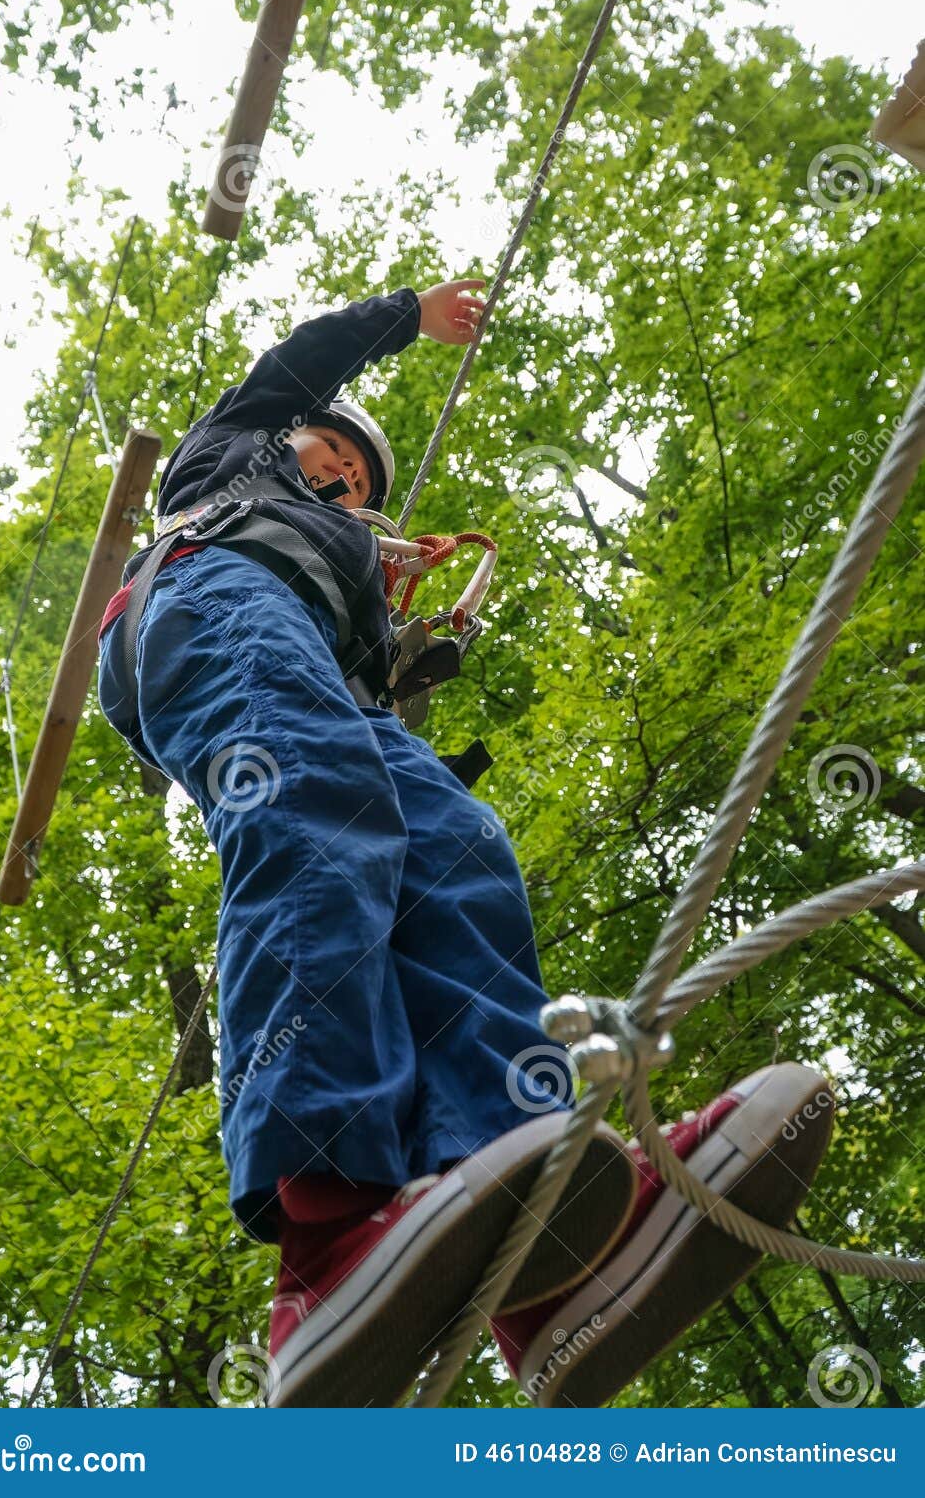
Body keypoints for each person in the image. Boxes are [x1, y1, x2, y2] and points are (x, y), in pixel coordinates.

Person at [97, 281, 833, 1407]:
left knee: (454, 846)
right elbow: (297, 361)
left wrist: (390, 628)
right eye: (332, 453)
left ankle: (551, 1248)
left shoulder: (355, 582)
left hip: (318, 662)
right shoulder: (234, 454)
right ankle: (327, 1228)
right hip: (214, 595)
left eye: (361, 483)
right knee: (313, 805)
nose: (346, 478)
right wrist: (405, 316)